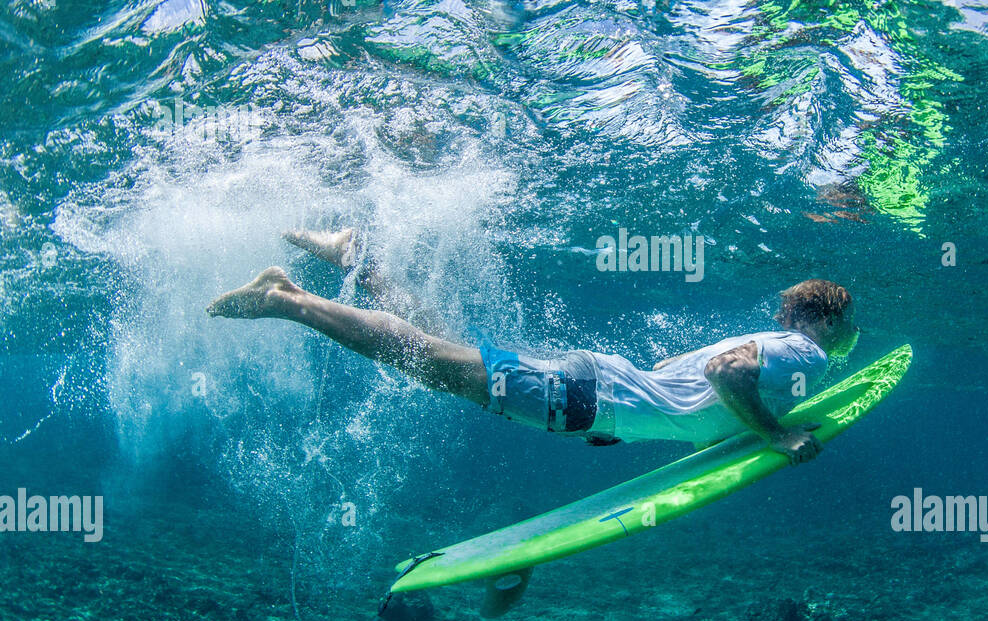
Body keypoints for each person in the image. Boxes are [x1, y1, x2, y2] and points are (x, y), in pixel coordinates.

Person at [207, 230, 859, 464]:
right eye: (850, 323)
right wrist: (774, 436)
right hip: (584, 400)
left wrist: (693, 423)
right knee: (426, 362)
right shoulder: (807, 354)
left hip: (591, 390)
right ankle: (285, 299)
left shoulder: (763, 337)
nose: (853, 337)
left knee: (440, 348)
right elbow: (723, 373)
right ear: (826, 319)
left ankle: (357, 255)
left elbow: (675, 371)